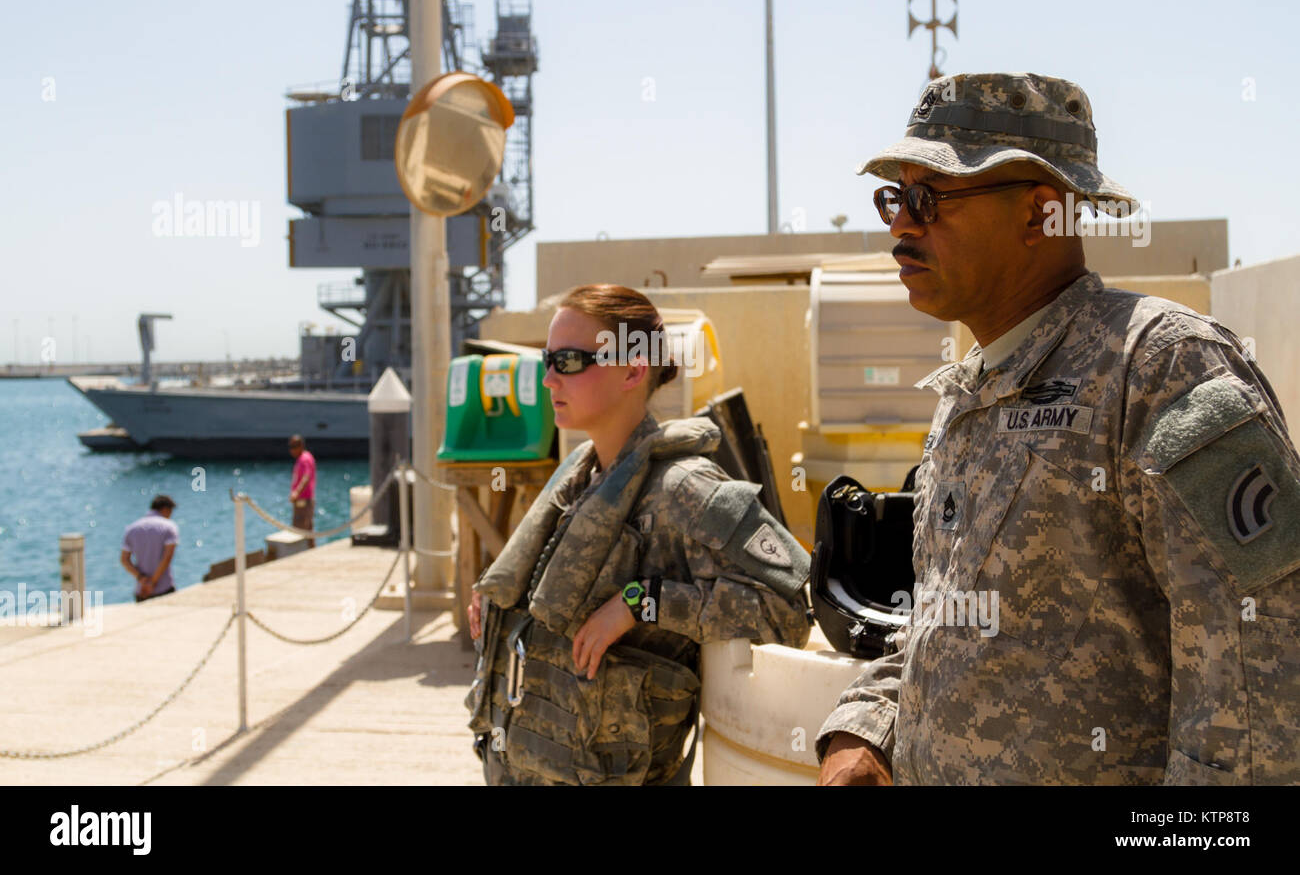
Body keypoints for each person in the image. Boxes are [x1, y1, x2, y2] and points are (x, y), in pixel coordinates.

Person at [817, 72, 1300, 785]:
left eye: (929, 198)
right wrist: (869, 728)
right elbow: (945, 619)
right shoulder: (972, 391)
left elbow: (1265, 670)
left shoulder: (1161, 366)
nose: (900, 224)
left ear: (1041, 211)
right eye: (894, 197)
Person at [465, 284, 811, 785]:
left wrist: (641, 602)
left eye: (567, 360)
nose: (547, 379)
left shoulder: (685, 489)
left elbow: (788, 611)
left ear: (632, 369)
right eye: (546, 360)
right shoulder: (580, 478)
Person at [120, 495, 179, 602]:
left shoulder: (132, 529)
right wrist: (152, 582)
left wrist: (141, 579)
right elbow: (167, 557)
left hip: (141, 590)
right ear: (166, 509)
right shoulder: (169, 526)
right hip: (164, 588)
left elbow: (124, 560)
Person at [288, 434, 317, 548]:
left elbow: (306, 477)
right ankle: (311, 552)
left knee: (299, 529)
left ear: (301, 446)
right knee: (308, 530)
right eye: (290, 446)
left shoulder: (304, 459)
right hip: (304, 501)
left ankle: (301, 553)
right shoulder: (304, 458)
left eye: (294, 446)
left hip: (303, 501)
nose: (291, 450)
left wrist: (296, 493)